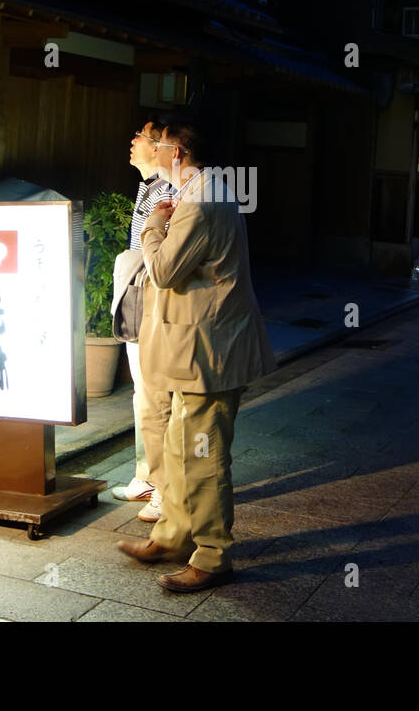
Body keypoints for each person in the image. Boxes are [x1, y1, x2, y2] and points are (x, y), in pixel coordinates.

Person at [116, 117, 274, 593]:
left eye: (159, 144)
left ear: (178, 153)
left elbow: (163, 271)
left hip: (210, 352)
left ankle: (211, 555)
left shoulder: (200, 203)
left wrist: (154, 225)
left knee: (203, 455)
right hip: (198, 349)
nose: (153, 150)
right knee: (184, 448)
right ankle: (173, 536)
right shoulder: (204, 191)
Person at [109, 121, 175, 524]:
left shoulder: (167, 191)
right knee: (145, 394)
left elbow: (161, 254)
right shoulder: (151, 185)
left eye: (140, 135)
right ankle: (147, 476)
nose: (131, 140)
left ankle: (163, 488)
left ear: (159, 147)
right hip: (139, 292)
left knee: (154, 395)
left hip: (151, 296)